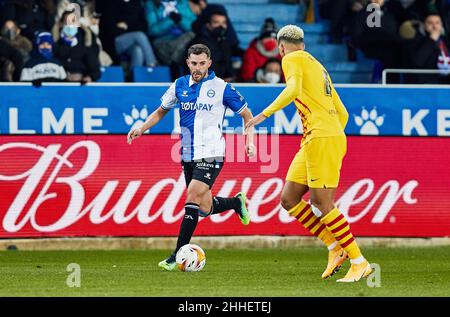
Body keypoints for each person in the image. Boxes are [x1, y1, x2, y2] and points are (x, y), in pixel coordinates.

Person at [245, 25, 371, 282]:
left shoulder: (290, 59)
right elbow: (343, 113)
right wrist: (329, 132)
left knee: (322, 204)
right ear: (303, 43)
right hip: (317, 138)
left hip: (320, 138)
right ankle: (334, 246)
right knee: (289, 198)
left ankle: (359, 262)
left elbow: (291, 91)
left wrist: (263, 115)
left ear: (281, 47)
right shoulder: (318, 66)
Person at [127, 44, 256, 271]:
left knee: (192, 197)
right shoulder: (179, 85)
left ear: (209, 63)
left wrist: (250, 140)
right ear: (188, 62)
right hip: (187, 153)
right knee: (204, 207)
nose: (197, 68)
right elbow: (161, 110)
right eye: (193, 63)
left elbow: (247, 115)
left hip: (212, 152)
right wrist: (142, 127)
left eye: (202, 63)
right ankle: (236, 202)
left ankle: (176, 255)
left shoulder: (222, 87)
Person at [53, 10, 101, 83]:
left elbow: (93, 64)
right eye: (67, 21)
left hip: (81, 82)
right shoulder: (56, 42)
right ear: (62, 23)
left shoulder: (84, 41)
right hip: (60, 82)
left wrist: (90, 77)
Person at [145, 0, 196, 67]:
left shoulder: (183, 2)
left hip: (184, 41)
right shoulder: (151, 4)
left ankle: (174, 63)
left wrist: (180, 20)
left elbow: (194, 26)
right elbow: (152, 31)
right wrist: (170, 20)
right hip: (163, 42)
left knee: (194, 37)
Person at [189, 11, 234, 81]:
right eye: (216, 22)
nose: (221, 26)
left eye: (224, 23)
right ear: (208, 25)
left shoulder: (225, 42)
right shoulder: (199, 43)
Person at [241, 18, 280, 82]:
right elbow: (247, 77)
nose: (271, 41)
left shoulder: (282, 53)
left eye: (274, 39)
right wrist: (258, 77)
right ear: (261, 39)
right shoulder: (251, 52)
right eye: (267, 37)